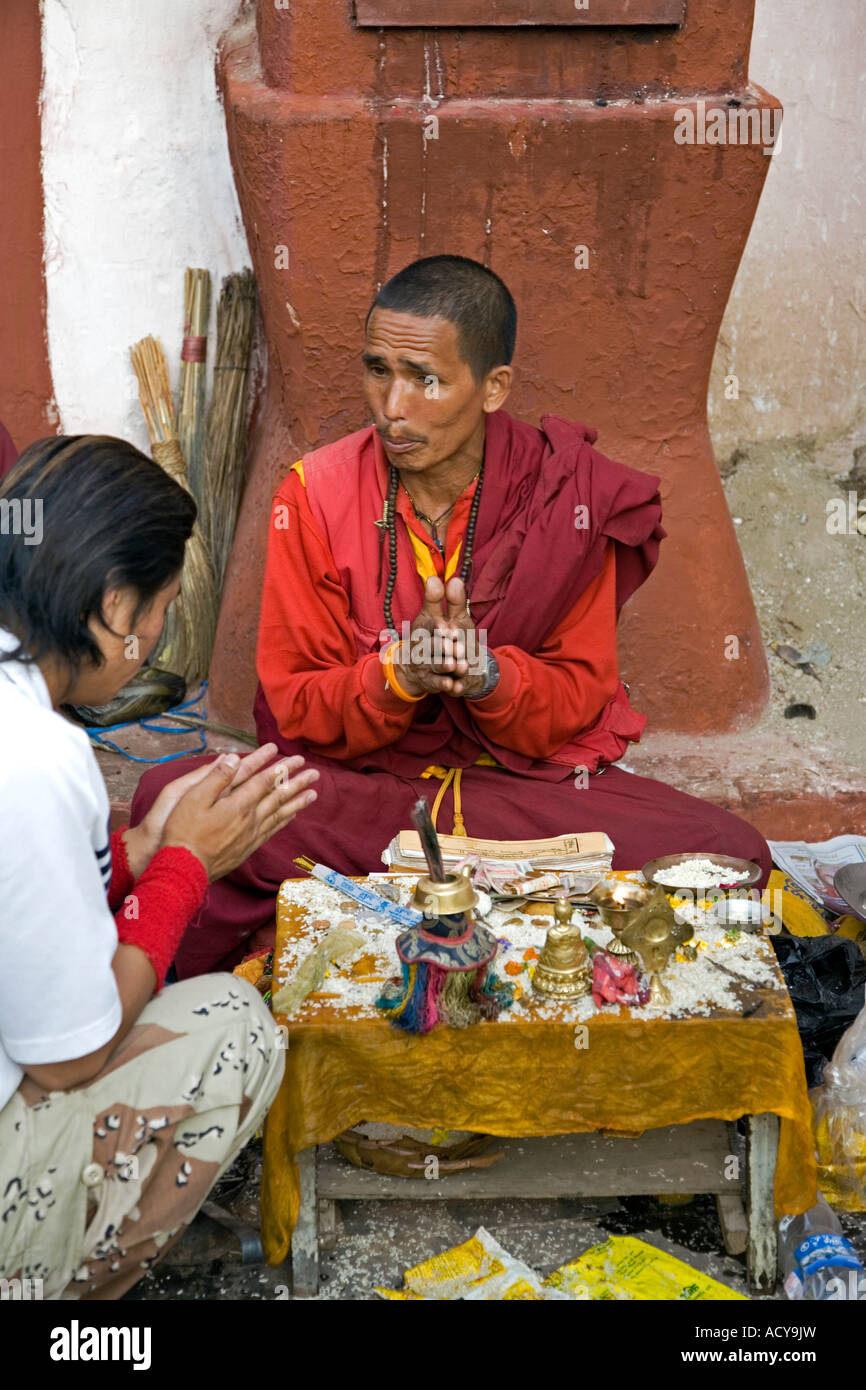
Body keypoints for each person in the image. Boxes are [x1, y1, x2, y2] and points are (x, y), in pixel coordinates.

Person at [133, 254, 771, 979]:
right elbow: (299, 703)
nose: (391, 406)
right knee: (170, 799)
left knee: (730, 853)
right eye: (377, 370)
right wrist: (396, 677)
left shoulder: (566, 495)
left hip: (516, 789)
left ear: (494, 387)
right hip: (365, 790)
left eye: (425, 379)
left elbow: (576, 695)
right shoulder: (313, 496)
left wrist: (491, 678)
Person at [0, 436, 318, 1299]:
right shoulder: (36, 753)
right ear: (113, 607)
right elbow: (70, 1058)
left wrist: (142, 849)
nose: (155, 636)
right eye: (162, 610)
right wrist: (186, 867)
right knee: (236, 1021)